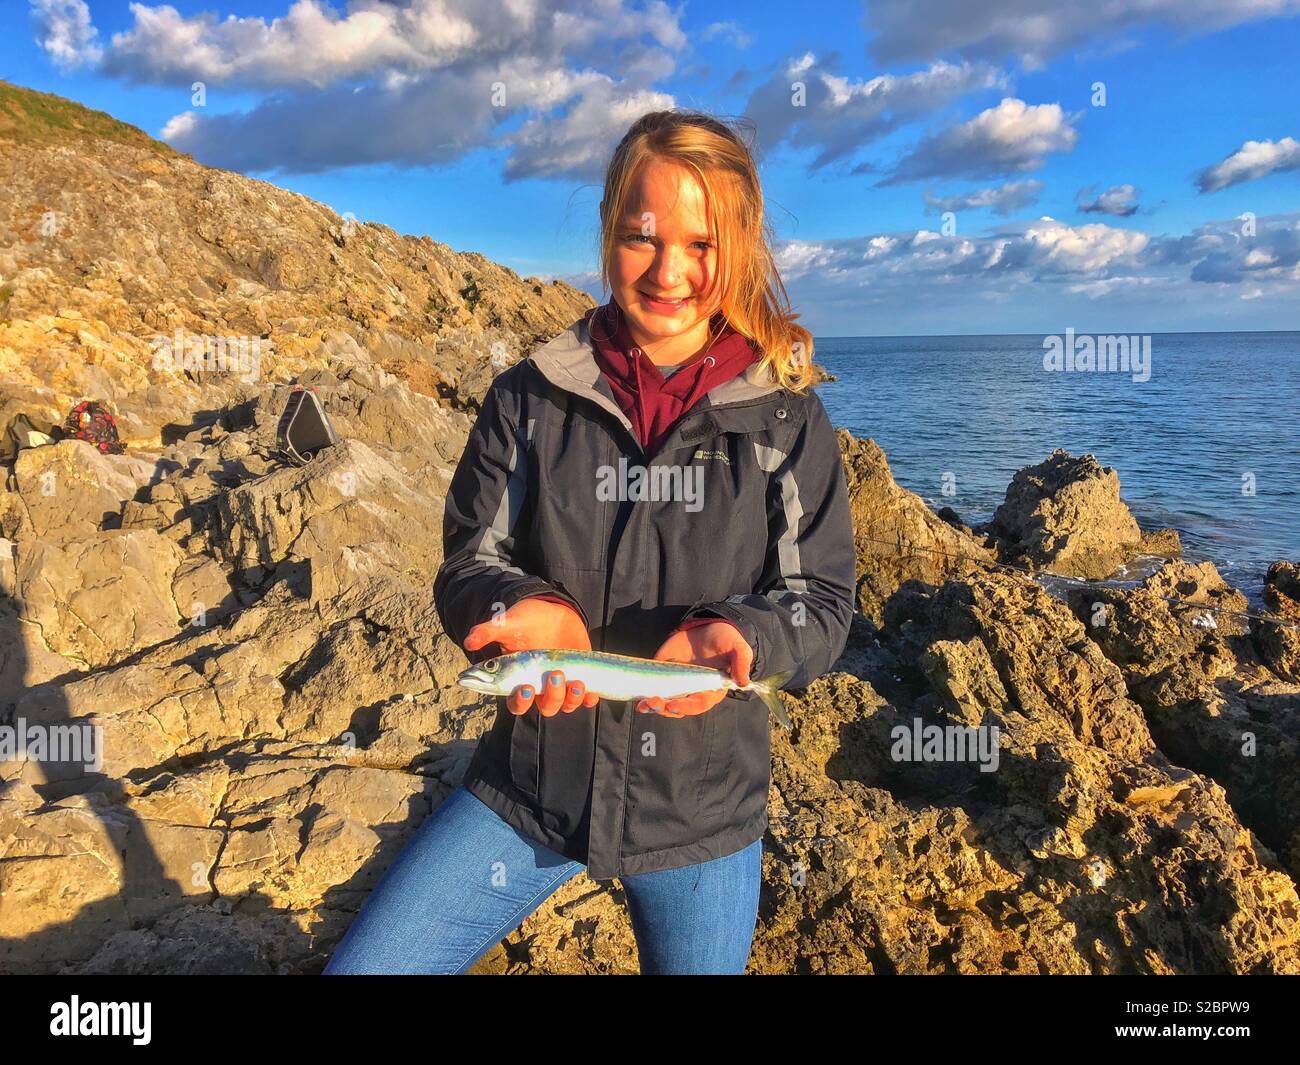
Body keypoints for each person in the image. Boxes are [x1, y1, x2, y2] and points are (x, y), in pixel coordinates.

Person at [323, 109, 855, 976]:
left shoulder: (789, 417)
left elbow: (822, 603)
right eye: (643, 237)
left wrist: (745, 638)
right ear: (610, 231)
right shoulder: (528, 399)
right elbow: (471, 559)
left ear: (742, 248)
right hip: (530, 792)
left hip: (702, 815)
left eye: (701, 244)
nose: (669, 270)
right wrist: (518, 608)